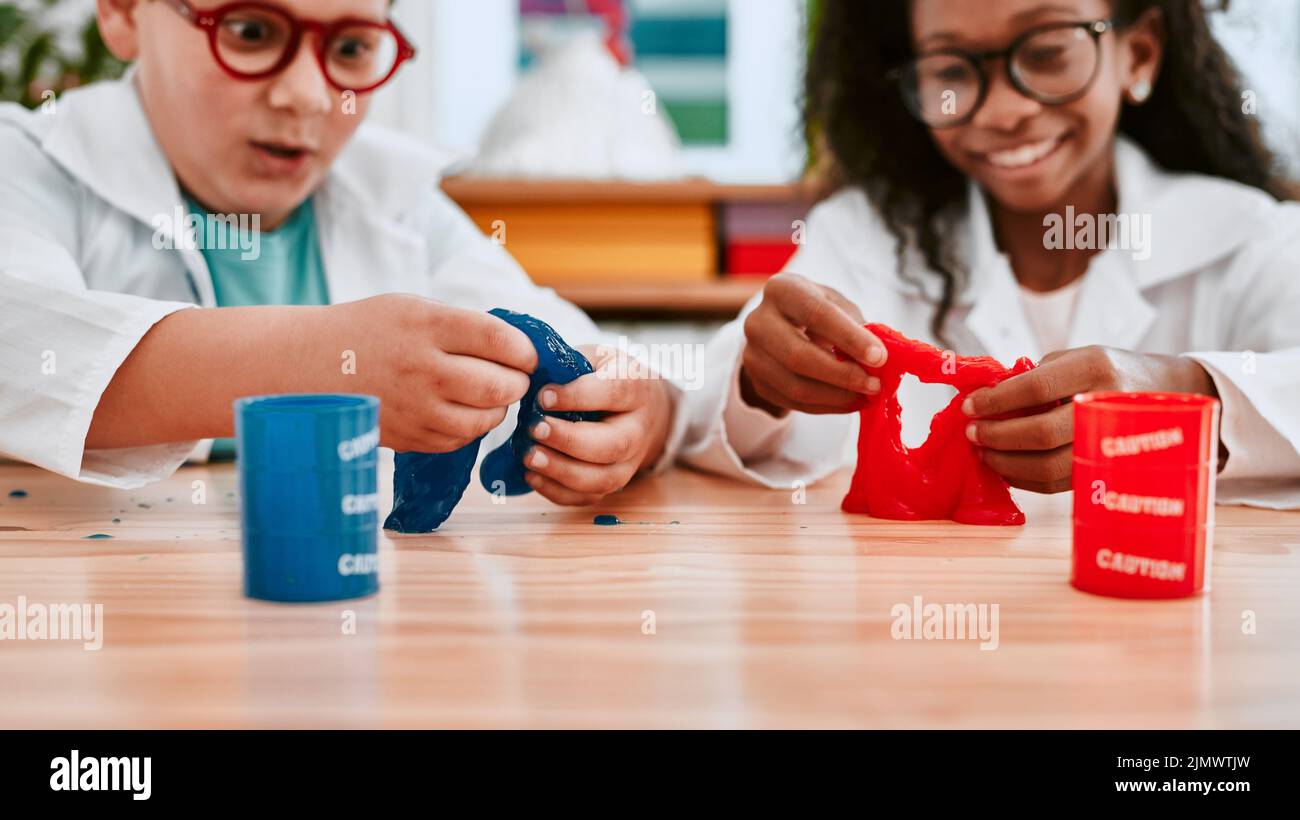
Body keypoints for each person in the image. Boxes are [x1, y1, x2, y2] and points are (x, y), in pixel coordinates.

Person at [0, 0, 684, 506]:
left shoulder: (399, 202)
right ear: (123, 12)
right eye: (249, 31)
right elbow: (21, 345)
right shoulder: (25, 165)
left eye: (352, 49)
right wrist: (322, 363)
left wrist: (635, 417)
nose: (306, 95)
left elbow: (598, 357)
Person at [682, 0, 1300, 507]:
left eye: (1048, 51)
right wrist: (760, 384)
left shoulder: (1247, 237)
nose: (1005, 111)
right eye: (951, 70)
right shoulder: (862, 235)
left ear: (1137, 54)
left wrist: (1190, 400)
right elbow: (712, 413)